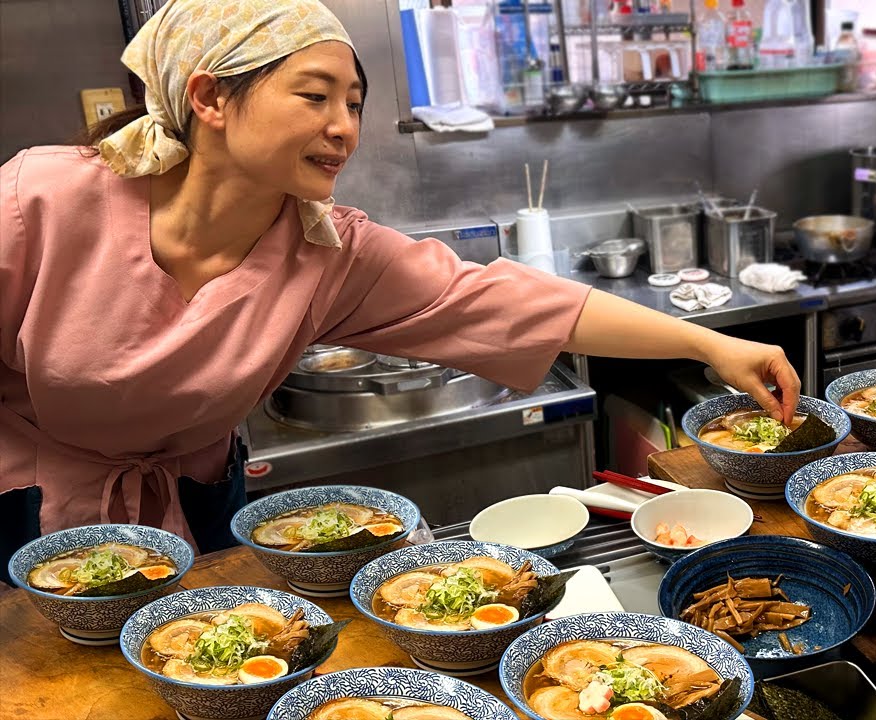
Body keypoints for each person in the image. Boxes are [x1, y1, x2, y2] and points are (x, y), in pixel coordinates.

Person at [0, 0, 800, 562]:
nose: (344, 127)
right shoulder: (44, 200)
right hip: (30, 504)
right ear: (208, 96)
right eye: (314, 97)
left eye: (353, 102)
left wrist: (706, 344)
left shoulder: (327, 253)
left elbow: (504, 301)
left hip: (195, 501)